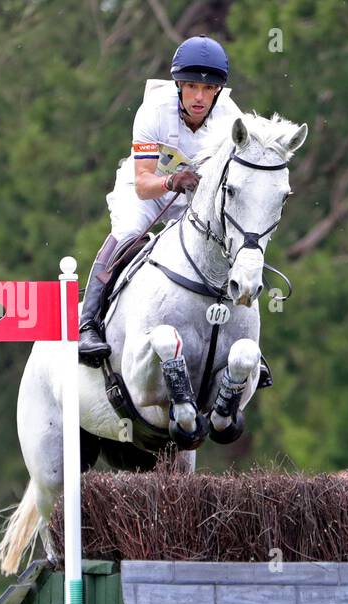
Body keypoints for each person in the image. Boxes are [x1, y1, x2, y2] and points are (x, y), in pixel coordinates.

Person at [77, 35, 246, 366]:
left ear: (218, 91)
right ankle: (89, 324)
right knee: (129, 233)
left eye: (208, 89)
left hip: (197, 201)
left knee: (231, 249)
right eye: (192, 87)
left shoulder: (231, 119)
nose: (199, 97)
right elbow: (142, 184)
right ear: (179, 85)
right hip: (148, 191)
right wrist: (171, 180)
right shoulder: (154, 111)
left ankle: (243, 343)